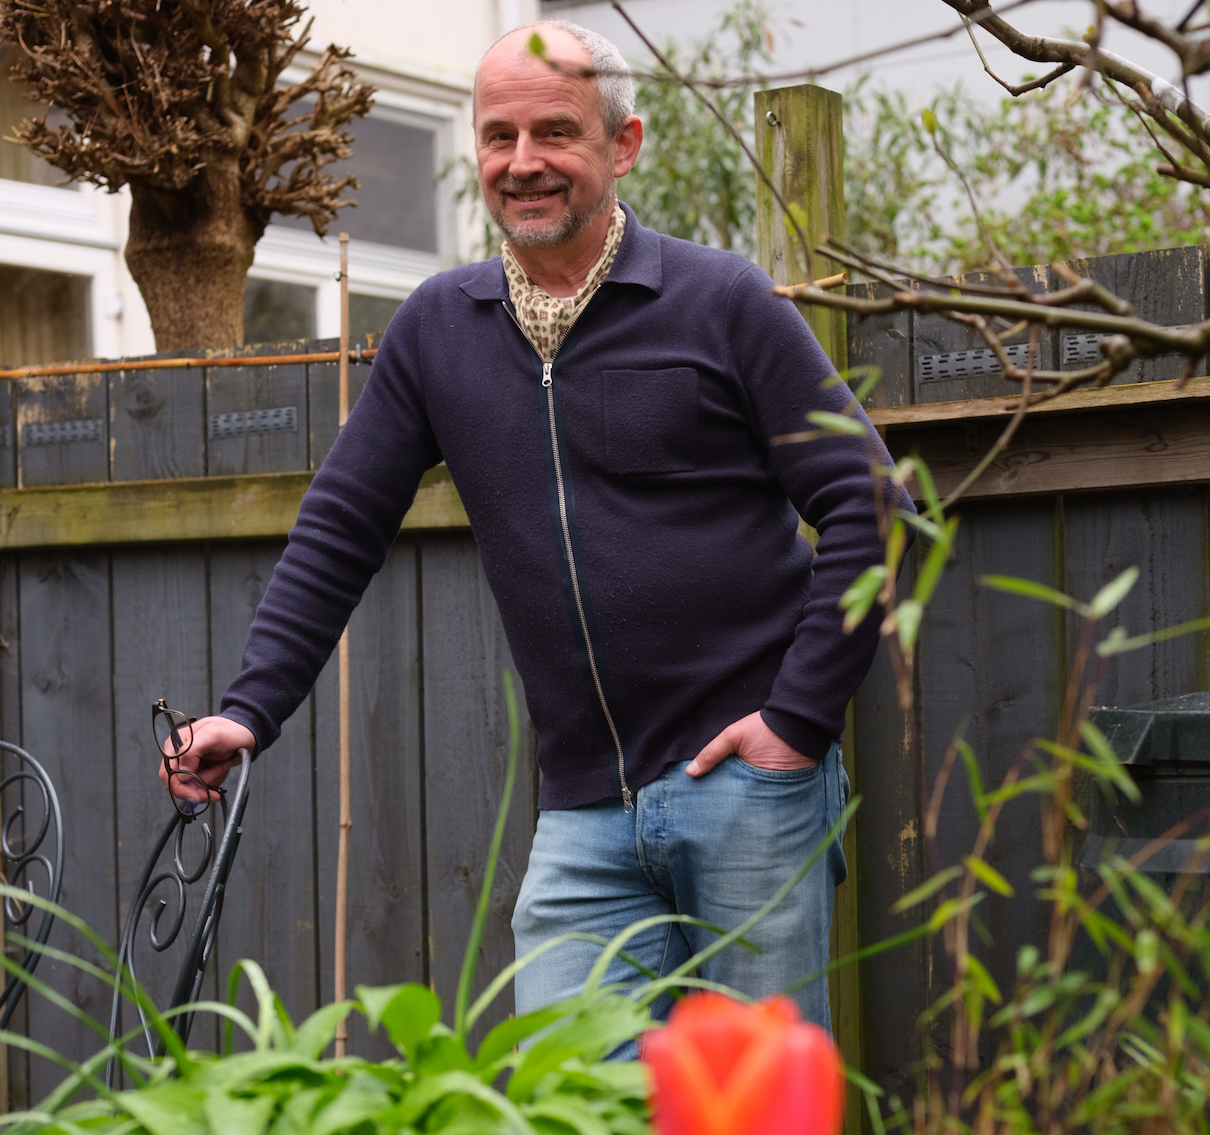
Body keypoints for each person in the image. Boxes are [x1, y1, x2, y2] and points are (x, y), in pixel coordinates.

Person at [160, 19, 906, 1035]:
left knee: (757, 1100)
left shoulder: (718, 304)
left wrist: (794, 725)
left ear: (624, 143)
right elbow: (339, 527)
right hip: (583, 817)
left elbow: (878, 512)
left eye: (555, 132)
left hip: (747, 795)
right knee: (564, 1098)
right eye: (497, 136)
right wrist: (249, 710)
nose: (524, 162)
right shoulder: (439, 328)